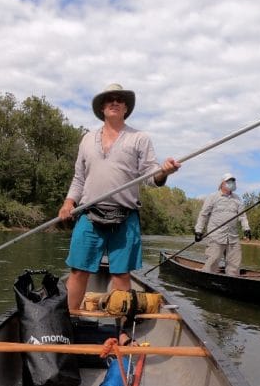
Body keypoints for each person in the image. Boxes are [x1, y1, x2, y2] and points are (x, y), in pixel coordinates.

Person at [58, 83, 181, 312]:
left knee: (121, 274)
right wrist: (68, 202)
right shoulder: (86, 139)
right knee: (77, 270)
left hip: (125, 216)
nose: (114, 102)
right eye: (109, 99)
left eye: (119, 99)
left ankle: (121, 332)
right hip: (89, 214)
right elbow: (78, 178)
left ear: (125, 107)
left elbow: (150, 176)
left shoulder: (140, 138)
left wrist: (164, 172)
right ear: (102, 107)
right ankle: (69, 320)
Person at [194, 173, 251, 275]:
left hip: (233, 237)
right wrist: (198, 231)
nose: (232, 183)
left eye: (233, 181)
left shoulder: (237, 199)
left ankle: (232, 280)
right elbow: (203, 215)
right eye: (229, 181)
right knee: (213, 261)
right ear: (222, 183)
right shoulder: (213, 197)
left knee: (235, 264)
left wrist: (246, 229)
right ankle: (207, 278)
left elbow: (243, 216)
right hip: (216, 236)